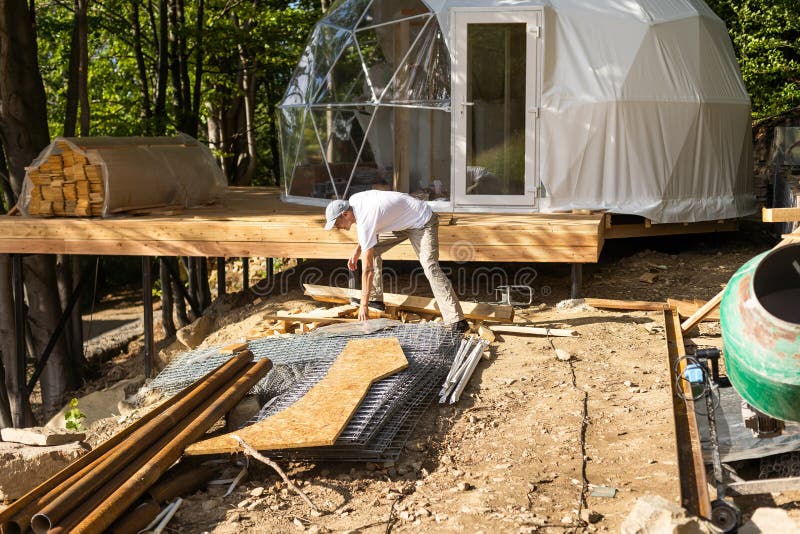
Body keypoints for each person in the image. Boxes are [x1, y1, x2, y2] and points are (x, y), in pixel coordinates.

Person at [324, 190, 468, 332]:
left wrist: (363, 305)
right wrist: (357, 251)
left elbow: (368, 270)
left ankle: (456, 320)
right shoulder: (354, 201)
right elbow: (368, 232)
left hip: (422, 221)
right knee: (372, 251)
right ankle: (375, 300)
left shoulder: (365, 217)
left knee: (430, 266)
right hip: (399, 222)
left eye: (336, 223)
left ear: (345, 214)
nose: (338, 228)